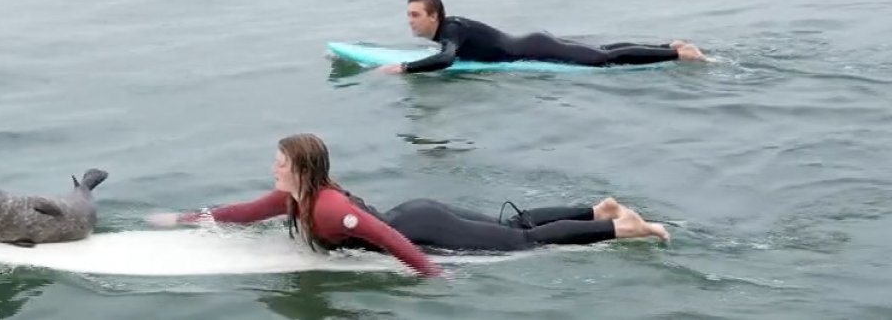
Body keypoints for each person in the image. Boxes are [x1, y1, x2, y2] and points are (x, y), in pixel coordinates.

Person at [147, 134, 670, 277]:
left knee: (522, 240)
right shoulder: (293, 196)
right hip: (420, 213)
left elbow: (385, 238)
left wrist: (429, 273)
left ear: (301, 169)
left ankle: (625, 229)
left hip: (422, 229)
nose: (272, 168)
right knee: (511, 224)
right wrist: (187, 218)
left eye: (279, 163)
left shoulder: (326, 208)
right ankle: (595, 210)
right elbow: (242, 212)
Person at [375, 0, 706, 74]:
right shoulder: (450, 29)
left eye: (415, 15)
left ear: (434, 16)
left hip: (535, 48)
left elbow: (447, 58)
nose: (410, 21)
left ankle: (677, 54)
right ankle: (667, 45)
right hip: (535, 41)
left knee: (602, 60)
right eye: (408, 15)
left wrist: (404, 68)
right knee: (603, 48)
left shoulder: (451, 30)